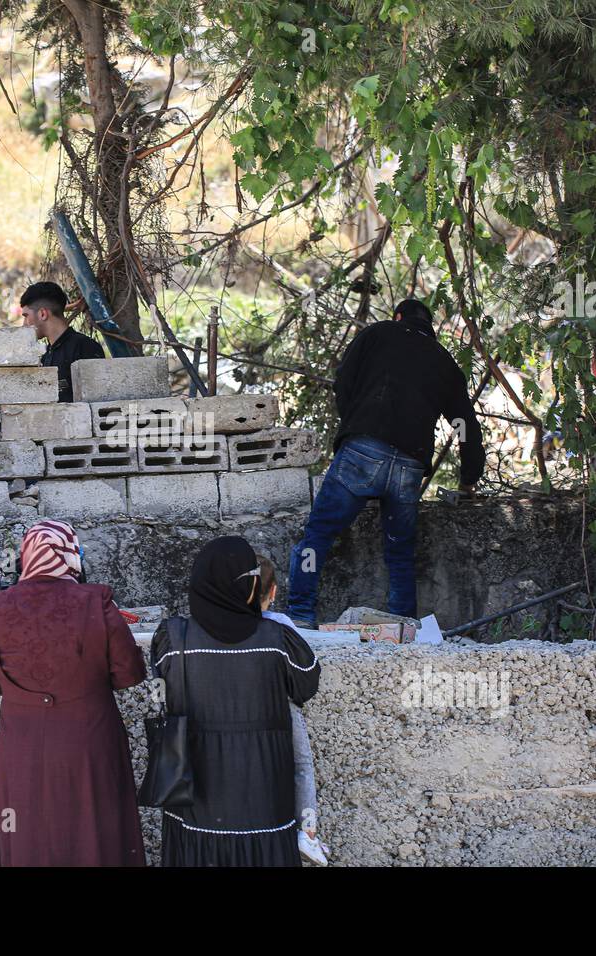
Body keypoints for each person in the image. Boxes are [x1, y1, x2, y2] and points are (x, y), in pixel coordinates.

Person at [286, 298, 485, 627]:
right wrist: (469, 477)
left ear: (398, 316)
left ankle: (302, 618)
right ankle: (402, 629)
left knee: (318, 536)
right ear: (430, 328)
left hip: (362, 451)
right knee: (400, 553)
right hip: (409, 466)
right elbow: (464, 425)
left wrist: (354, 426)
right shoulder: (444, 361)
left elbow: (343, 381)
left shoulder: (377, 334)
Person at [0, 519, 147, 866]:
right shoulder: (96, 601)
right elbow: (129, 673)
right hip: (90, 743)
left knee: (25, 830)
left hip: (21, 746)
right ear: (69, 554)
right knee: (95, 828)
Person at [152, 536, 321, 867]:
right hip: (264, 795)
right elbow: (305, 685)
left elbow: (161, 695)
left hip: (196, 798)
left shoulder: (173, 638)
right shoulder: (277, 640)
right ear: (252, 586)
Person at [256, 553, 329, 866]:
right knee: (302, 765)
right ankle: (308, 833)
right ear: (273, 592)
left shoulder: (220, 628)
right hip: (282, 706)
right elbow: (304, 669)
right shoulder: (280, 623)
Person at [20, 281, 104, 402]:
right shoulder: (45, 356)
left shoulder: (85, 348)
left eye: (26, 316)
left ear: (42, 314)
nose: (24, 325)